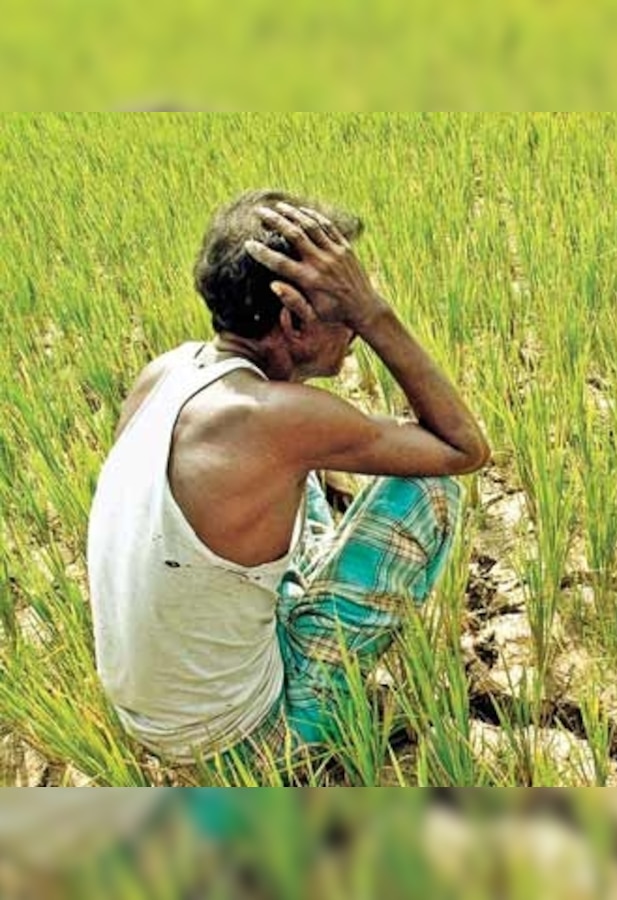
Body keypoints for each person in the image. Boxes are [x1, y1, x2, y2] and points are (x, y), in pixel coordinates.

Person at [86, 189, 490, 779]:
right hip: (245, 742)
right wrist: (376, 314)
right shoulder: (275, 420)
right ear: (293, 318)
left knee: (310, 492)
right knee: (430, 491)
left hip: (150, 719)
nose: (352, 327)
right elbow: (463, 449)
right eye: (344, 306)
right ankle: (311, 723)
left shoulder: (166, 373)